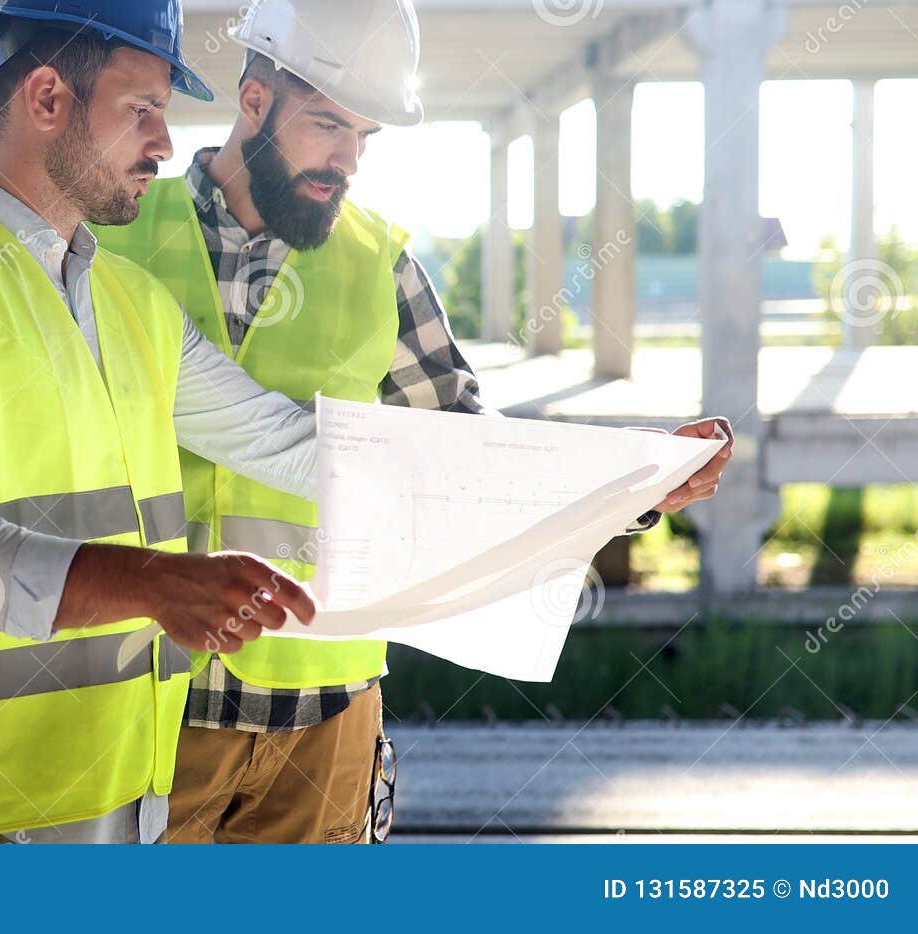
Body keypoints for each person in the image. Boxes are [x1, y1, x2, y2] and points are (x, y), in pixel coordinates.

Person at [92, 0, 733, 843]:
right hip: (144, 698)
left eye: (365, 136)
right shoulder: (111, 238)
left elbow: (462, 455)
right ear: (254, 101)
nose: (347, 161)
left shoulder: (379, 267)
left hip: (324, 715)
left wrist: (629, 487)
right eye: (327, 125)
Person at [0, 0, 324, 844]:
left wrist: (539, 481)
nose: (164, 145)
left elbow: (290, 444)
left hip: (125, 795)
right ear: (47, 98)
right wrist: (158, 584)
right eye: (143, 109)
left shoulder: (134, 303)